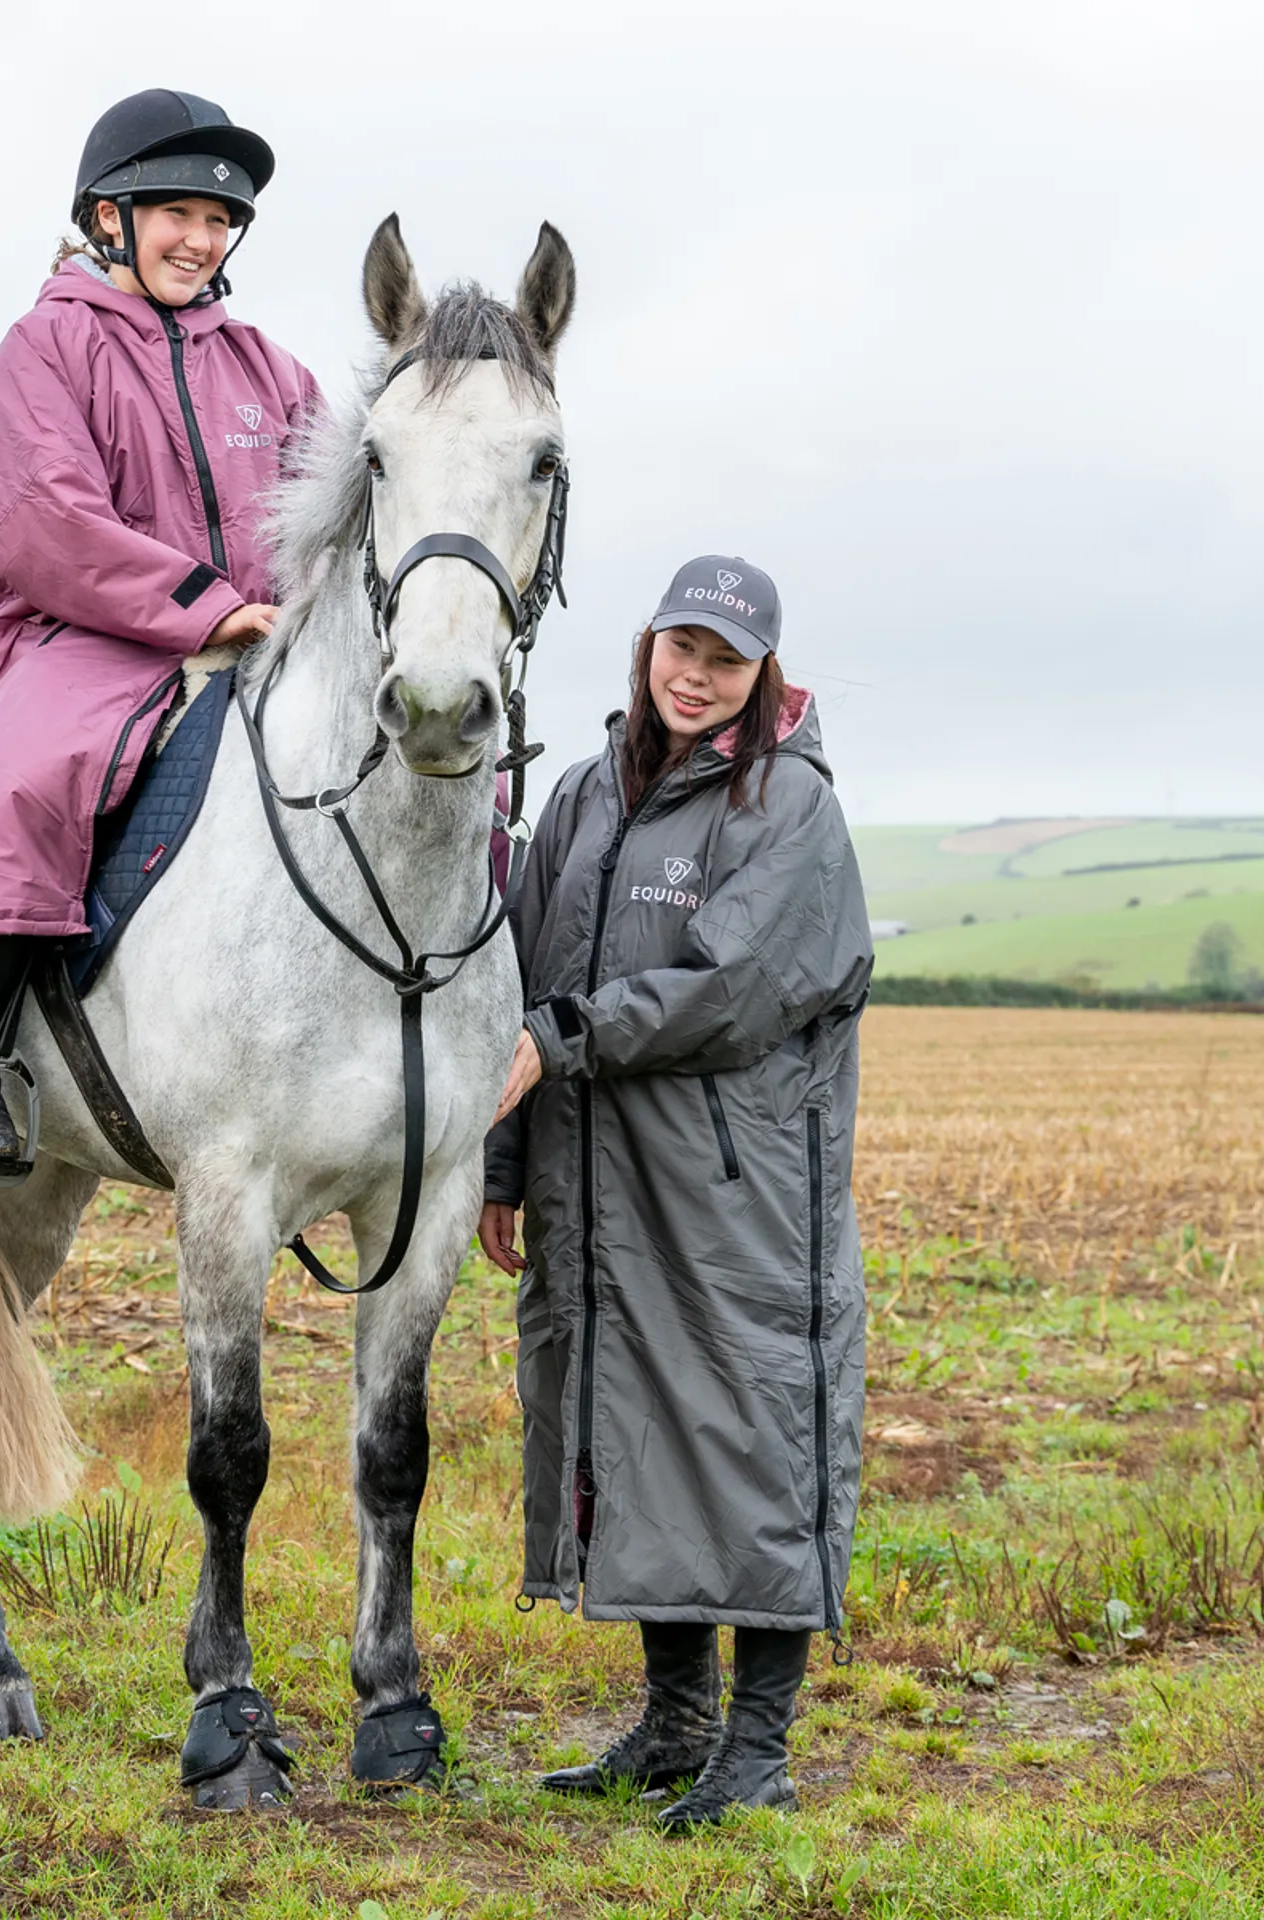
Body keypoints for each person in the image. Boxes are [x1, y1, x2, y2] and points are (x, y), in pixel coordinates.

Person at [0, 89, 320, 1181]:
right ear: (108, 217)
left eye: (220, 220)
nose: (202, 239)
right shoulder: (45, 345)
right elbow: (41, 517)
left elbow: (326, 507)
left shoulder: (270, 370)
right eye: (177, 213)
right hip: (85, 638)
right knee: (21, 779)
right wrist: (205, 604)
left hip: (255, 631)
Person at [478, 554, 872, 1832]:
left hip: (735, 1188)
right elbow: (519, 986)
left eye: (726, 660)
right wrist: (498, 1163)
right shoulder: (587, 795)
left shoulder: (788, 805)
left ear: (763, 675)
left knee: (752, 1435)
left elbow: (736, 986)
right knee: (626, 1423)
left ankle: (757, 1749)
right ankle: (677, 1722)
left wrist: (574, 1030)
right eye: (680, 650)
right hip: (595, 1183)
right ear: (647, 647)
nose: (697, 678)